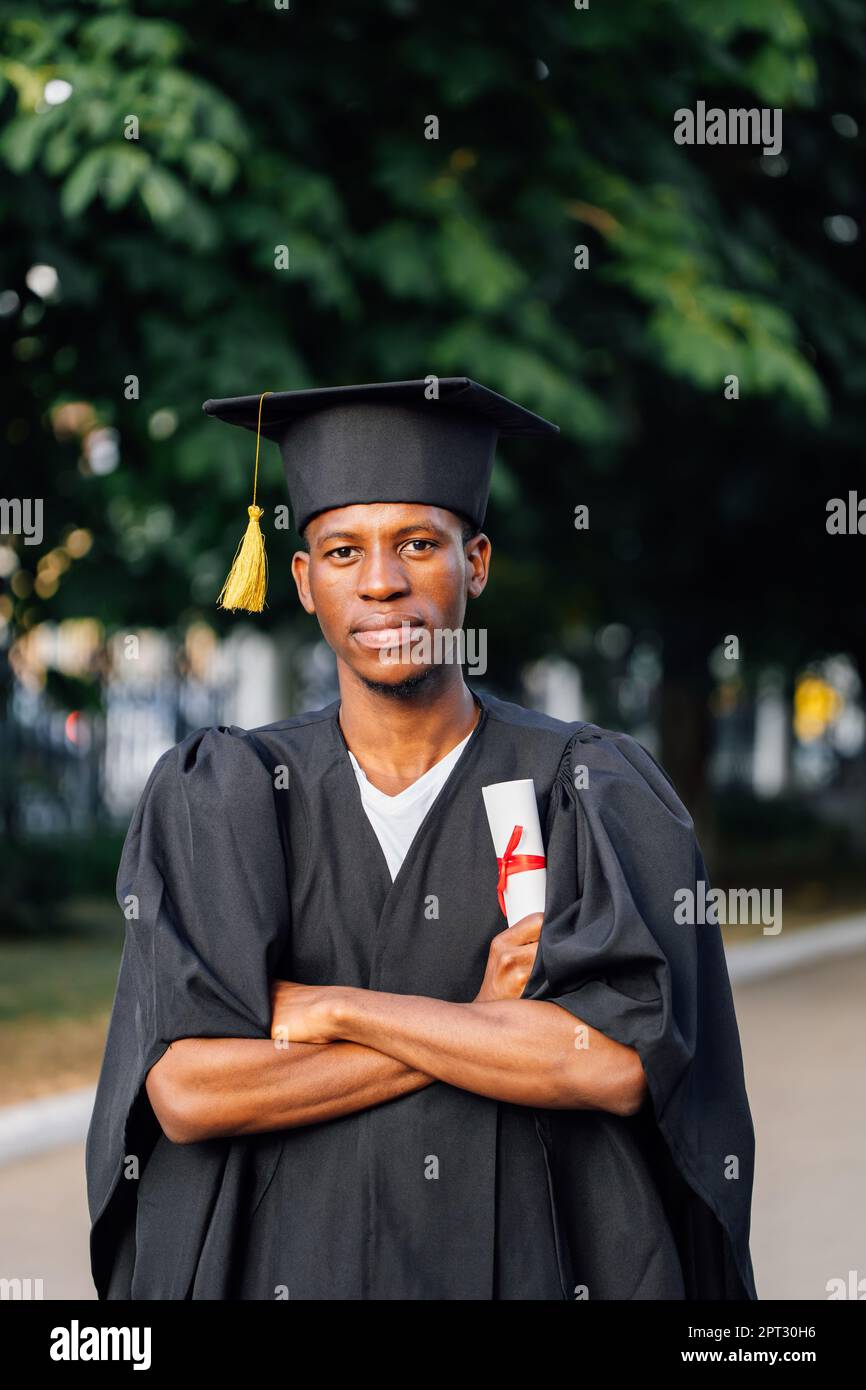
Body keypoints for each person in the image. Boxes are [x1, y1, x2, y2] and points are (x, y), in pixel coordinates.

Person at [86, 377, 757, 1300]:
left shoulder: (584, 787)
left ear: (475, 560)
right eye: (341, 550)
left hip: (530, 1267)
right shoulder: (228, 797)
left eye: (416, 544)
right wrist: (480, 1024)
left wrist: (340, 1010)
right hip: (287, 1268)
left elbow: (610, 1066)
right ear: (302, 580)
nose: (380, 582)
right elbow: (191, 1093)